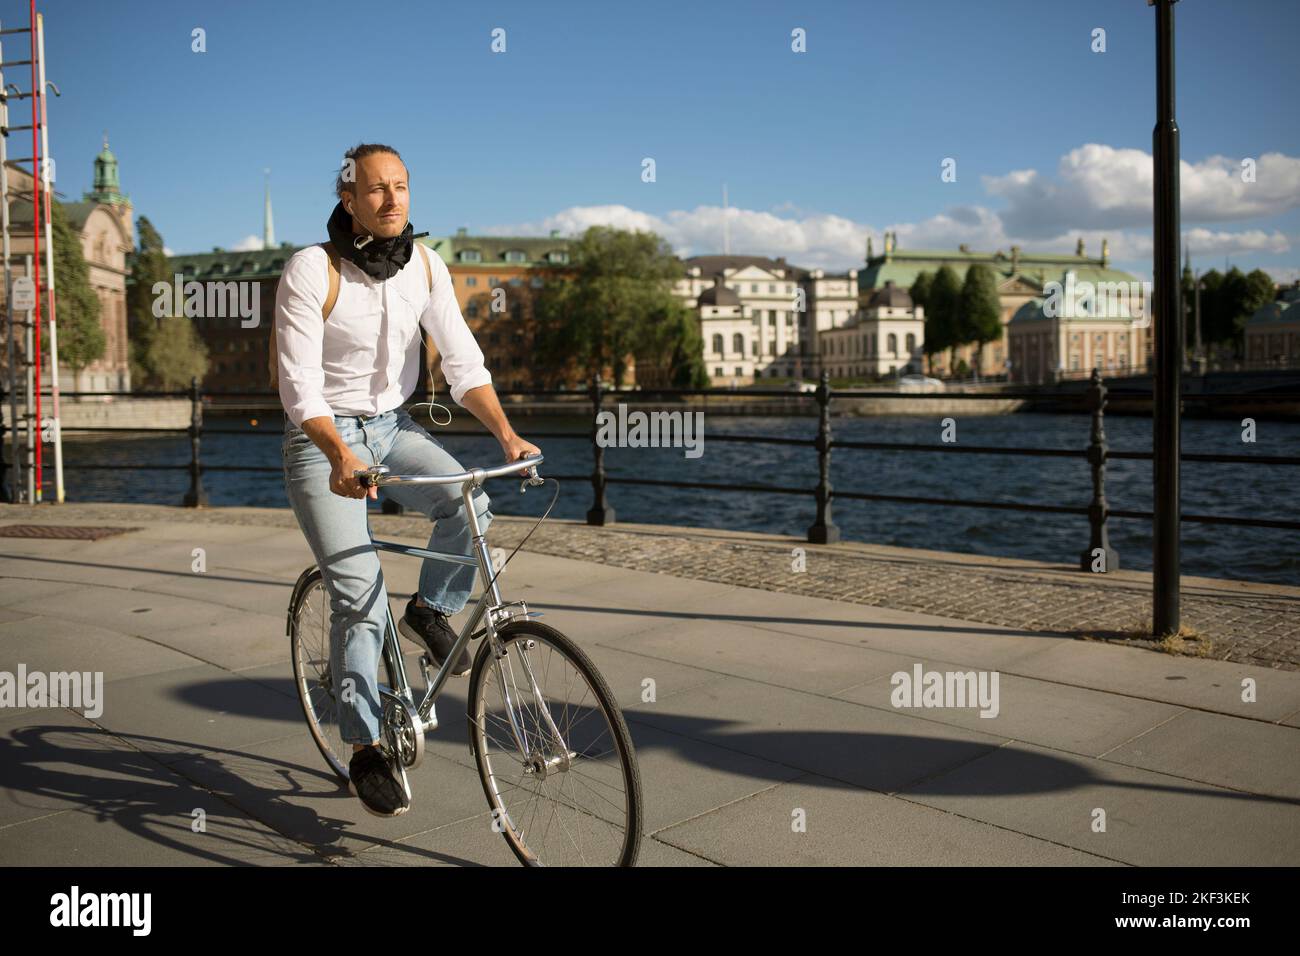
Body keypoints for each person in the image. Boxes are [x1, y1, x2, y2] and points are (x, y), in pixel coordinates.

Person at [276, 143, 540, 817]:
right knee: (359, 593)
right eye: (376, 189)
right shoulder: (314, 268)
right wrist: (337, 454)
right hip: (323, 440)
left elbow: (463, 362)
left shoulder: (425, 264)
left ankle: (430, 609)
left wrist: (507, 435)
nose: (392, 200)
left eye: (401, 187)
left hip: (391, 429)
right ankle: (365, 748)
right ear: (349, 199)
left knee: (468, 500)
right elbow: (299, 385)